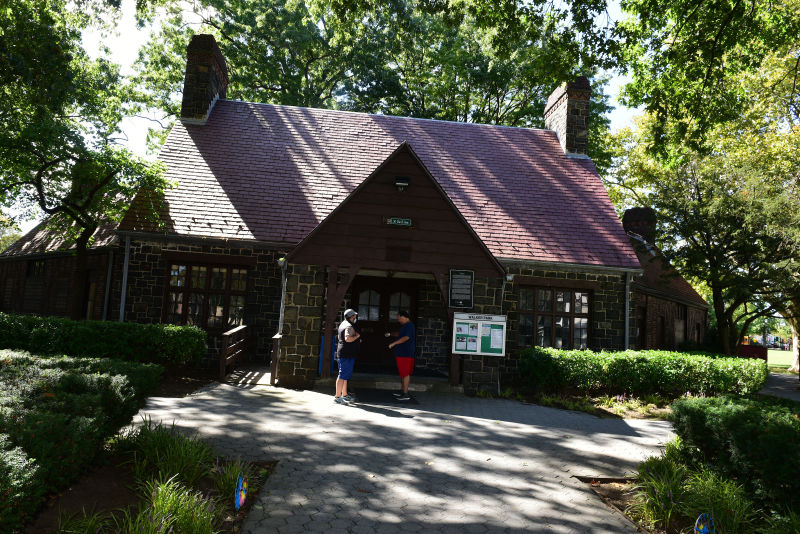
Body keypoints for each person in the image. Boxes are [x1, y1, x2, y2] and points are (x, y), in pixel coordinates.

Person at [387, 310, 415, 401]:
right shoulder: (405, 326)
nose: (398, 320)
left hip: (405, 353)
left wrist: (394, 343)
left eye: (399, 318)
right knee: (403, 373)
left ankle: (405, 394)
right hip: (402, 353)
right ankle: (403, 391)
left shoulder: (410, 326)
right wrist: (390, 334)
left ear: (403, 317)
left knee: (405, 373)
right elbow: (400, 334)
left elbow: (406, 337)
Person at [335, 308, 361, 405]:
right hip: (346, 354)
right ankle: (337, 397)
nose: (355, 317)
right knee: (342, 375)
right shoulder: (349, 326)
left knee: (345, 375)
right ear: (351, 317)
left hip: (344, 353)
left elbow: (339, 337)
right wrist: (357, 337)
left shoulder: (342, 324)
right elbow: (347, 339)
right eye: (354, 316)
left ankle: (344, 395)